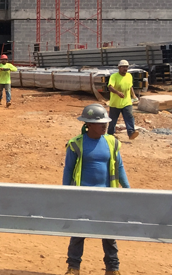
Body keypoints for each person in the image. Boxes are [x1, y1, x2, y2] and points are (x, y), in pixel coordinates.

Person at [62, 104, 130, 275]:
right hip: (83, 196)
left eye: (106, 122)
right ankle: (73, 267)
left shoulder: (112, 142)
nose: (105, 125)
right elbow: (68, 170)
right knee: (78, 232)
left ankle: (112, 268)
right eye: (101, 123)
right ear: (88, 124)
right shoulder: (76, 144)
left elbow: (119, 167)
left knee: (108, 233)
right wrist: (65, 194)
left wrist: (128, 190)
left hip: (107, 196)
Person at [107, 60, 140, 140]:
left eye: (127, 67)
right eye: (123, 67)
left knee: (129, 117)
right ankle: (110, 134)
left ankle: (131, 133)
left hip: (126, 102)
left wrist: (133, 95)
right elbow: (110, 87)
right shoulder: (114, 76)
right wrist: (117, 93)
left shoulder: (129, 76)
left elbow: (130, 86)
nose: (125, 69)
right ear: (119, 68)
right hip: (115, 103)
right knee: (113, 120)